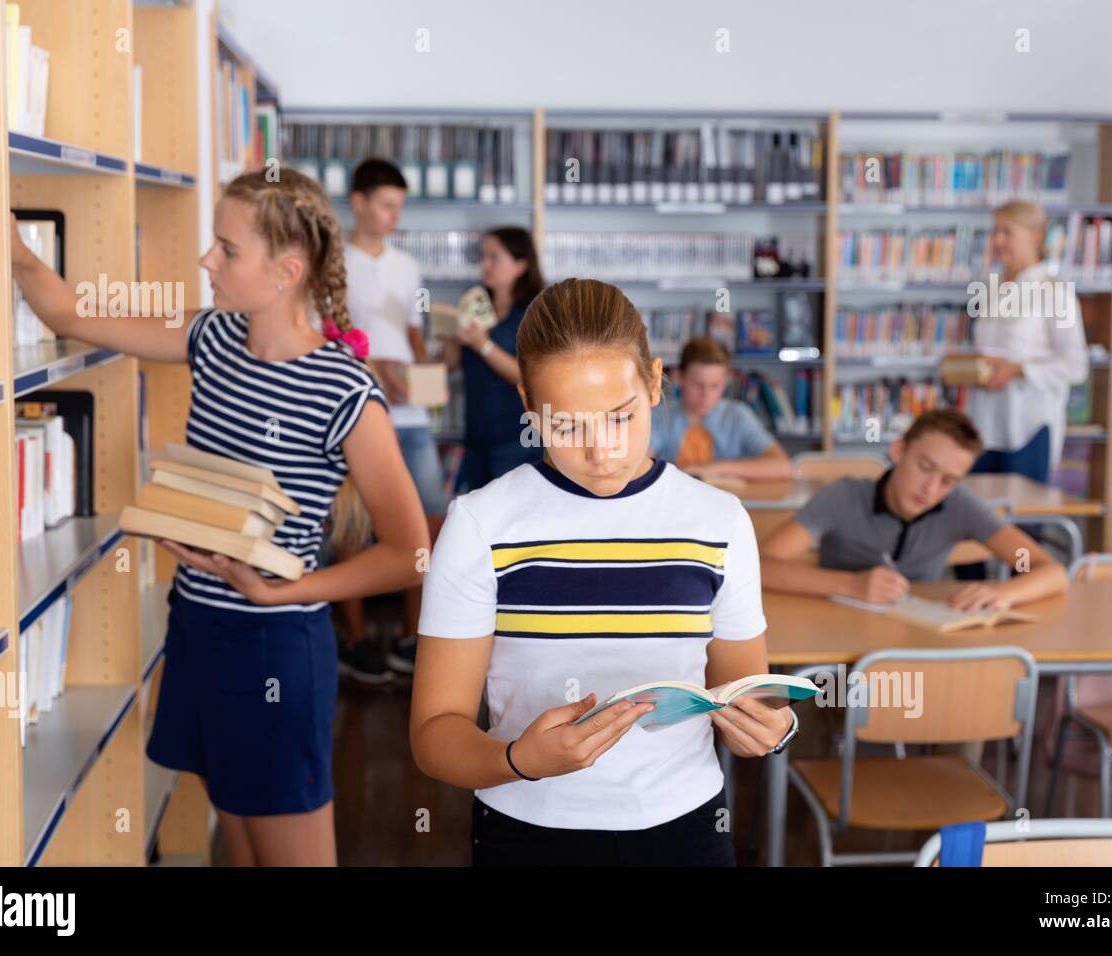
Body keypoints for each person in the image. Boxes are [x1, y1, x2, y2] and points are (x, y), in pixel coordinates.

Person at [10, 168, 429, 866]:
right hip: (198, 626)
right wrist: (18, 253)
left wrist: (281, 589)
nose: (207, 260)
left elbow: (411, 552)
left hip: (274, 646)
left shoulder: (342, 389)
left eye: (226, 250)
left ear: (286, 270)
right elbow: (72, 316)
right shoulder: (211, 338)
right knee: (238, 844)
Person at [410, 278, 796, 866]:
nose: (601, 451)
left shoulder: (719, 521)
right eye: (565, 426)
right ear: (527, 406)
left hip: (688, 826)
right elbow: (435, 732)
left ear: (656, 382)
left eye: (621, 417)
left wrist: (767, 727)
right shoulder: (480, 524)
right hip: (527, 828)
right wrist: (517, 760)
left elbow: (749, 690)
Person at [760, 408, 1067, 612]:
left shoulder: (959, 505)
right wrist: (850, 585)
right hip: (840, 645)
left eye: (948, 480)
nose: (931, 489)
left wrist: (1006, 593)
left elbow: (1047, 569)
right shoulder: (842, 496)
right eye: (925, 467)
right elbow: (763, 566)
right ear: (898, 450)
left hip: (915, 643)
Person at [333, 158, 446, 682]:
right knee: (353, 520)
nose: (393, 215)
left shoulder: (406, 265)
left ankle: (413, 638)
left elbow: (414, 331)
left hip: (409, 409)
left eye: (399, 206)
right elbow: (327, 333)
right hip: (355, 407)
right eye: (384, 204)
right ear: (357, 202)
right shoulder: (332, 262)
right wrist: (372, 366)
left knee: (424, 519)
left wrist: (423, 373)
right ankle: (355, 641)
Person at [965, 199, 1089, 482]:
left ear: (1036, 235)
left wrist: (1017, 369)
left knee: (1022, 520)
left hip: (1027, 429)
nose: (997, 241)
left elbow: (1075, 366)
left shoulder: (1055, 293)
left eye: (1008, 232)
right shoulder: (991, 289)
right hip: (984, 427)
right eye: (995, 232)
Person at [440, 227, 545, 491]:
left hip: (516, 439)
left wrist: (483, 345)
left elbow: (530, 377)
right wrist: (452, 342)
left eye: (494, 257)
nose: (485, 265)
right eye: (483, 256)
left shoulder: (533, 315)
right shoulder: (473, 306)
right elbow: (451, 367)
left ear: (521, 265)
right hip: (475, 437)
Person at [650, 336, 794, 481]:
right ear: (679, 378)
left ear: (725, 383)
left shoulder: (738, 414)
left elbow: (783, 466)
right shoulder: (660, 414)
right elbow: (638, 462)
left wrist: (713, 469)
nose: (705, 394)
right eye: (697, 384)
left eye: (714, 386)